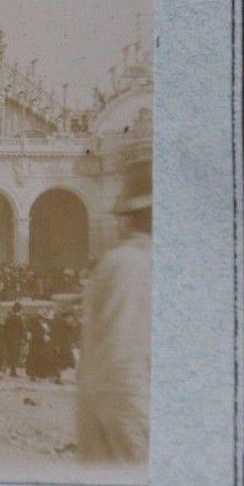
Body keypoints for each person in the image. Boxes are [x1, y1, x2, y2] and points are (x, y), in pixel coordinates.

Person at [78, 150, 152, 465]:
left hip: (108, 414)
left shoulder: (124, 261)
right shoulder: (132, 263)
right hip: (127, 422)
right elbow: (123, 364)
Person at [2, 302, 27, 377]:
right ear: (19, 310)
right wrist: (25, 338)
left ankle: (5, 370)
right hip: (16, 339)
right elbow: (22, 329)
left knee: (9, 354)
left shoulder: (9, 317)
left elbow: (5, 328)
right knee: (15, 355)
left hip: (9, 339)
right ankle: (12, 371)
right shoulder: (19, 318)